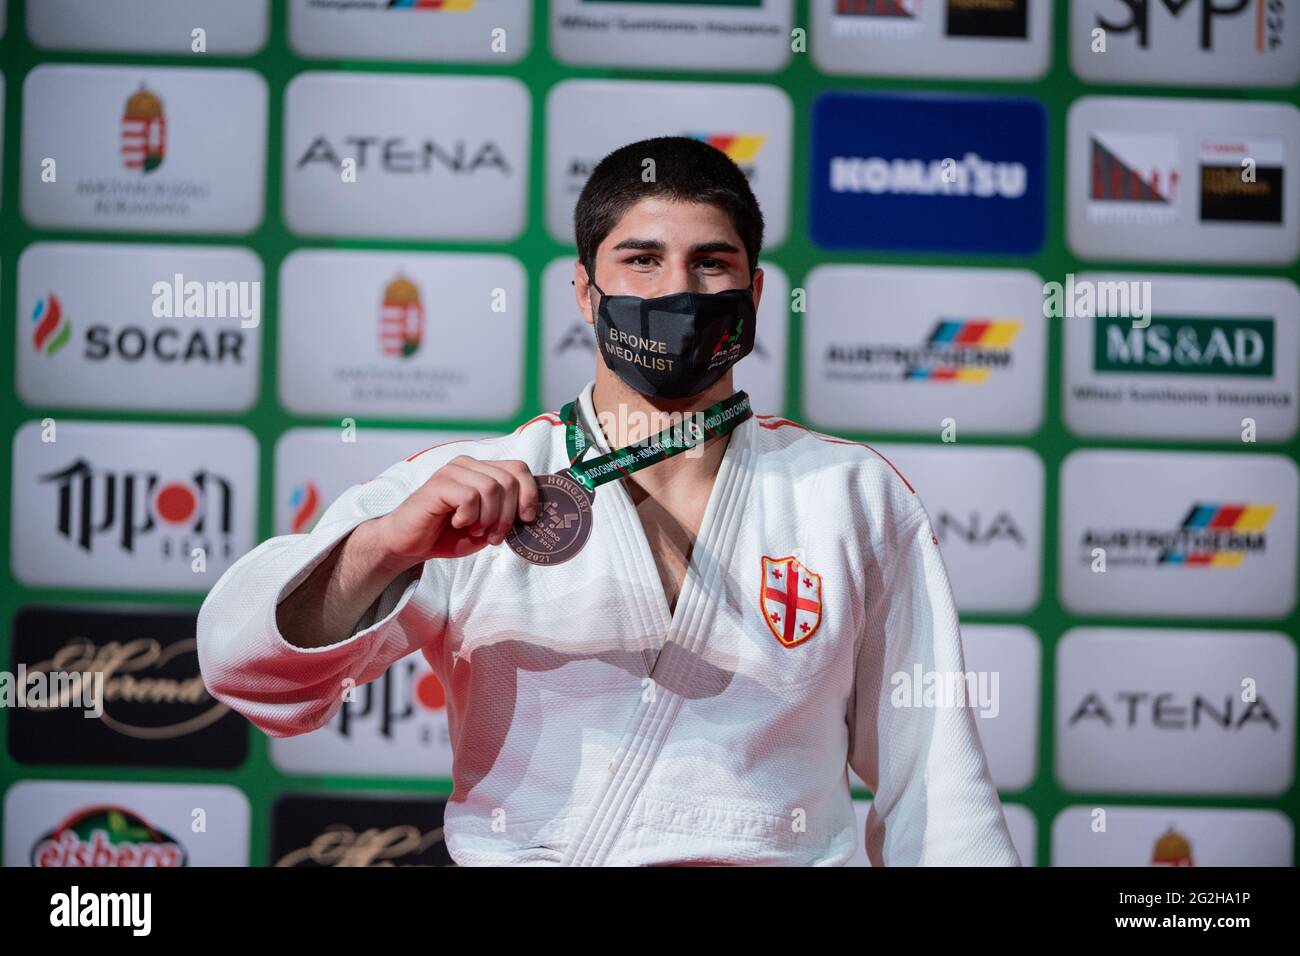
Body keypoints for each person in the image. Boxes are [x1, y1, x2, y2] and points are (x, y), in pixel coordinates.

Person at [197, 135, 1020, 866]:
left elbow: (934, 785)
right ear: (586, 293)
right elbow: (249, 672)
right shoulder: (471, 487)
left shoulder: (848, 496)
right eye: (642, 260)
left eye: (711, 263)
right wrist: (386, 548)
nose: (677, 290)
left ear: (756, 293)